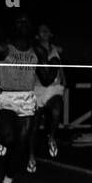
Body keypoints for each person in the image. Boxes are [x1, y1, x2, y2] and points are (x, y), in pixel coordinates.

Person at [0, 15, 39, 183]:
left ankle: (8, 181)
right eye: (19, 22)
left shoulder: (36, 52)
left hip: (27, 97)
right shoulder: (4, 48)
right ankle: (0, 137)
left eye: (26, 22)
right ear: (13, 27)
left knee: (21, 143)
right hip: (7, 96)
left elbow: (45, 75)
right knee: (9, 138)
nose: (23, 25)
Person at [31, 23, 65, 163]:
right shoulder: (33, 50)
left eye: (47, 30)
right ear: (37, 36)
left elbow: (59, 67)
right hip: (38, 89)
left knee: (57, 110)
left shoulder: (55, 50)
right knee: (34, 126)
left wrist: (63, 79)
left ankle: (51, 138)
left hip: (53, 88)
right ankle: (31, 156)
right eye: (42, 31)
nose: (45, 32)